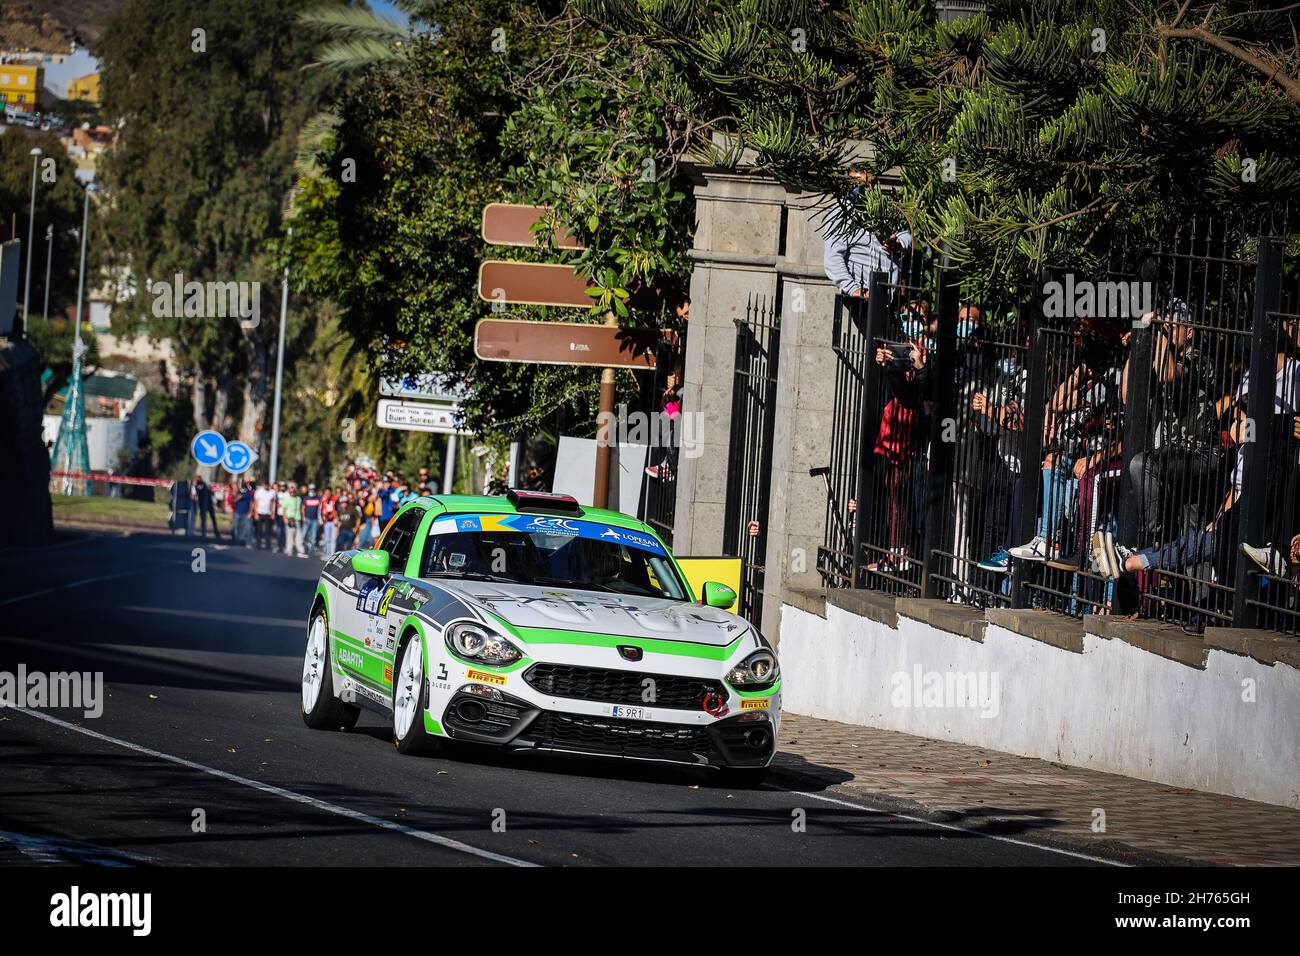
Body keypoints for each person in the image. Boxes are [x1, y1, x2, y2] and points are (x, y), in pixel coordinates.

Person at [822, 169, 913, 298]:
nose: (868, 188)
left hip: (888, 296)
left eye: (871, 184)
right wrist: (853, 289)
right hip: (862, 299)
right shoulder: (841, 214)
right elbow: (833, 258)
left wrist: (900, 243)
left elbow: (905, 235)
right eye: (860, 184)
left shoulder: (883, 209)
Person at [192, 474, 220, 539]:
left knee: (205, 519)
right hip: (207, 504)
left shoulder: (199, 486)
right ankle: (212, 533)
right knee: (211, 519)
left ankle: (205, 533)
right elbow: (211, 493)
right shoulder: (204, 485)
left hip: (204, 504)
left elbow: (195, 495)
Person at [253, 480, 276, 550]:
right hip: (260, 512)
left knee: (267, 530)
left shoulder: (272, 492)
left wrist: (273, 513)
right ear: (263, 484)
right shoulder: (258, 492)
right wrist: (256, 513)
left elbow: (273, 503)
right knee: (259, 530)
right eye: (265, 484)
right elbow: (255, 502)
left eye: (267, 485)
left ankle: (267, 546)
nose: (266, 486)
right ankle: (258, 545)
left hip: (268, 513)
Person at [301, 484, 322, 557]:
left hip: (315, 520)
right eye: (311, 489)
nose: (312, 490)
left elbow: (320, 509)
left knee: (313, 536)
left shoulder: (318, 498)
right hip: (307, 518)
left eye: (313, 489)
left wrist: (320, 519)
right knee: (304, 534)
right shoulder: (306, 498)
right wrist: (303, 517)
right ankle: (303, 549)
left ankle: (311, 550)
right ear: (309, 489)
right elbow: (303, 508)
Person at [232, 480, 254, 547]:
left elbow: (251, 503)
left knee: (248, 528)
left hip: (246, 513)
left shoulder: (249, 493)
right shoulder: (239, 492)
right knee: (236, 527)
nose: (243, 487)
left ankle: (248, 543)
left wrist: (250, 512)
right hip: (238, 513)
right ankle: (237, 542)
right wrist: (238, 498)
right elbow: (234, 501)